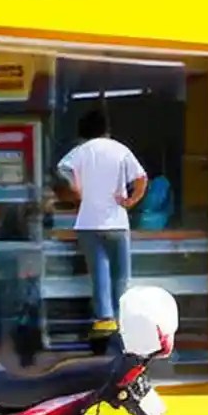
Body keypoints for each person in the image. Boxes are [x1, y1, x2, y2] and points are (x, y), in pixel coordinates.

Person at [57, 109, 147, 335]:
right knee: (121, 276)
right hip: (117, 221)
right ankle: (122, 321)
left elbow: (62, 170)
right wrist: (131, 201)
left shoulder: (80, 151)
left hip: (88, 223)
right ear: (106, 130)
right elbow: (141, 178)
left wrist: (75, 188)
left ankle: (105, 319)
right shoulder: (120, 150)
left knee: (100, 273)